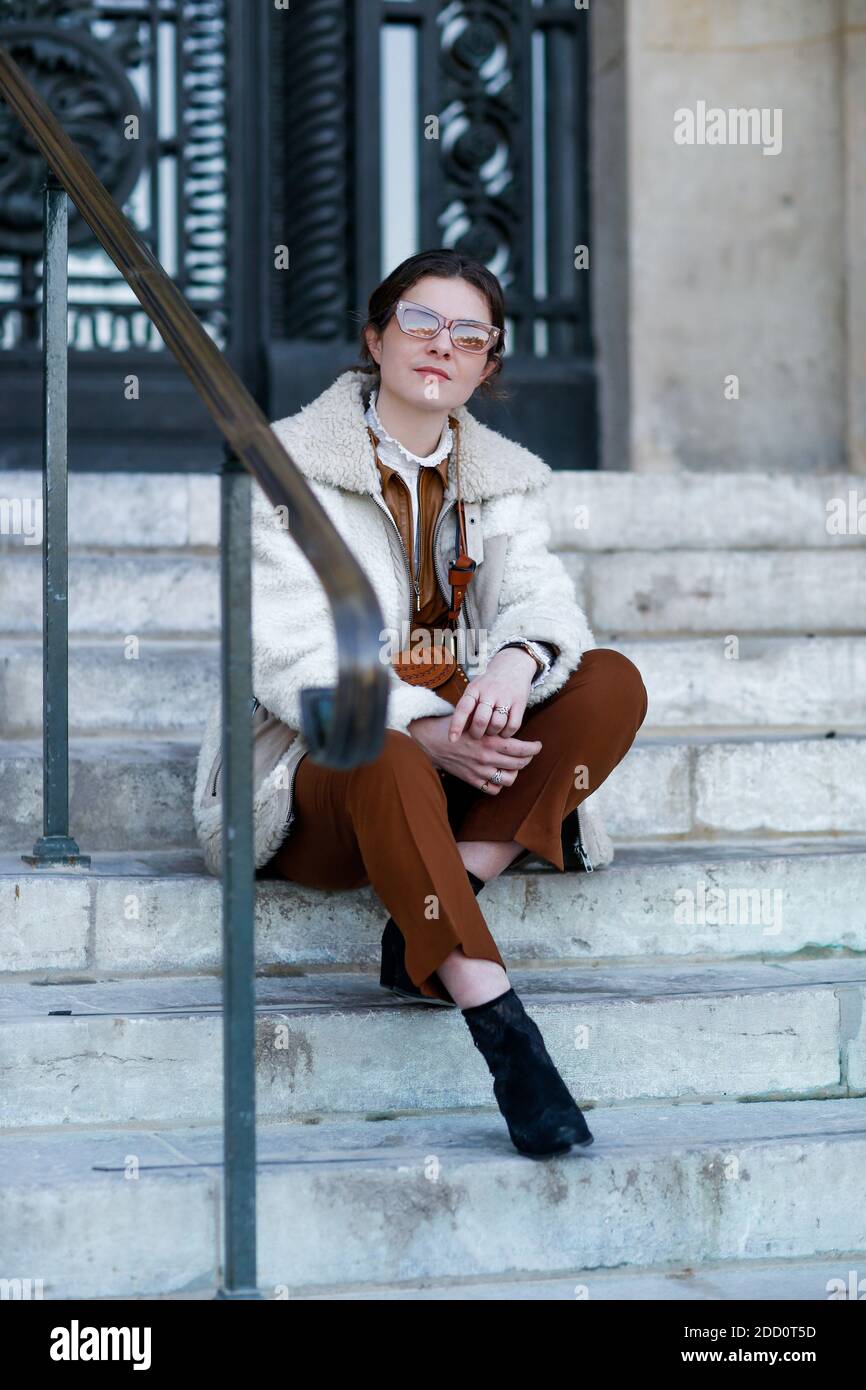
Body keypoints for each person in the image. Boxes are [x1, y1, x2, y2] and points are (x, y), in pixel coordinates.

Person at [215, 248, 648, 1158]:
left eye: (468, 335)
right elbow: (290, 653)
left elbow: (543, 600)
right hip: (328, 771)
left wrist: (518, 661)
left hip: (461, 756)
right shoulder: (282, 469)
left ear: (488, 366)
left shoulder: (506, 478)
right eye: (419, 322)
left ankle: (435, 902)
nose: (439, 346)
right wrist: (421, 721)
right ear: (376, 338)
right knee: (383, 746)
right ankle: (500, 1025)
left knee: (609, 680)